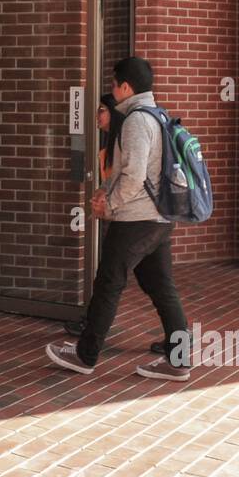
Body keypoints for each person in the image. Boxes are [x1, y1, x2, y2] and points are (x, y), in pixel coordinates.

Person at [45, 57, 190, 380]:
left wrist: (109, 206)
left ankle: (85, 355)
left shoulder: (138, 120)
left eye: (113, 84)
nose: (111, 89)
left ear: (126, 87)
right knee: (162, 287)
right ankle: (178, 360)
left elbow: (135, 175)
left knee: (108, 283)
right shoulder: (158, 114)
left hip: (136, 219)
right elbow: (133, 171)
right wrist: (105, 190)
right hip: (159, 219)